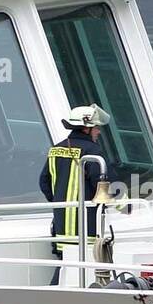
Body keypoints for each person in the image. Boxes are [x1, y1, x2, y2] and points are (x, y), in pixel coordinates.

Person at [39, 104, 110, 285]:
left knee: (64, 268)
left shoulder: (55, 149)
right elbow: (104, 184)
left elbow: (44, 183)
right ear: (86, 128)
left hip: (61, 226)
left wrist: (59, 203)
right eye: (96, 128)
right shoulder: (93, 152)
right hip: (85, 227)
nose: (98, 132)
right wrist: (127, 205)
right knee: (84, 273)